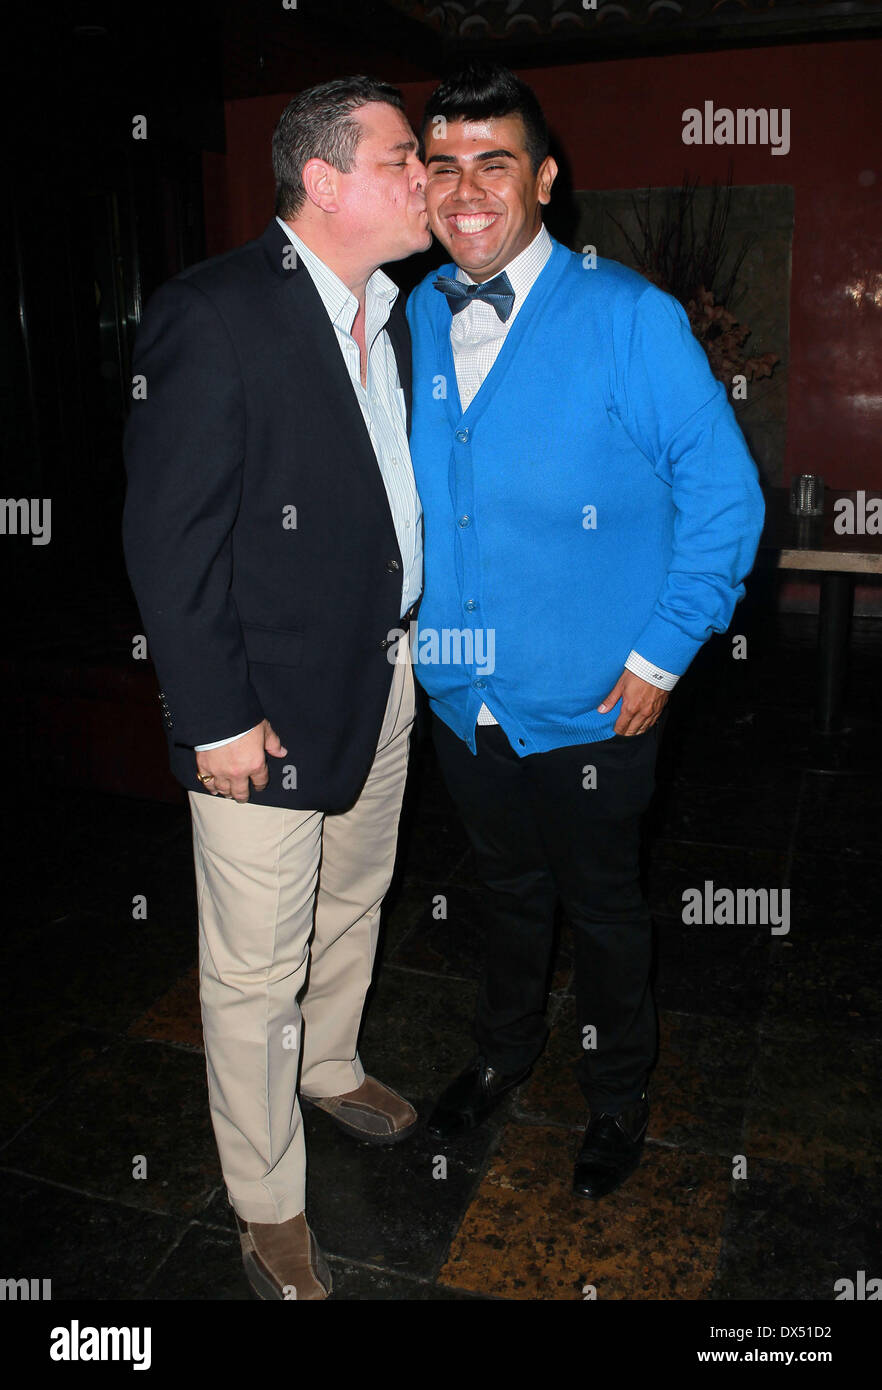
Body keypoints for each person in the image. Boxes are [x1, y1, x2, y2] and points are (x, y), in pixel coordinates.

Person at [405, 61, 765, 1200]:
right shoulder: (416, 311)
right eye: (444, 166)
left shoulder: (630, 315)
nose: (466, 191)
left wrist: (662, 652)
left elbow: (727, 501)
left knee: (603, 909)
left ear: (546, 179)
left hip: (602, 699)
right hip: (463, 693)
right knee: (506, 892)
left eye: (494, 164)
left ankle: (618, 1096)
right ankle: (505, 1054)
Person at [122, 76, 431, 1299]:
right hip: (262, 704)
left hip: (385, 669)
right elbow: (168, 537)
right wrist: (211, 716)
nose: (428, 179)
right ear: (325, 180)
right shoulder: (215, 314)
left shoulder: (391, 312)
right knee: (253, 968)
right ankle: (268, 1203)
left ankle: (333, 1060)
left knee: (357, 893)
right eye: (404, 157)